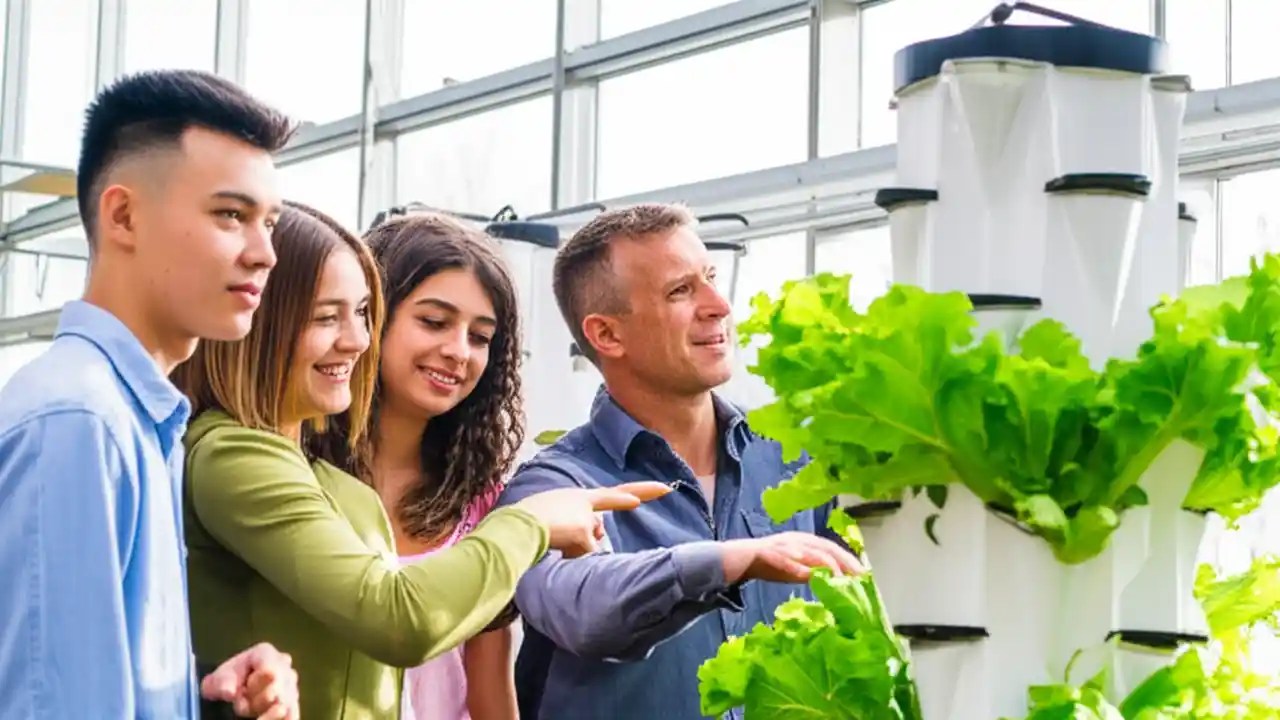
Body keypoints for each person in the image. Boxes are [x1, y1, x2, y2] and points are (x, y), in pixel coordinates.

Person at [174, 202, 665, 720]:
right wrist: (533, 523)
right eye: (326, 316)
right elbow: (397, 617)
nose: (357, 339)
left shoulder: (320, 473)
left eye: (363, 314)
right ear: (263, 316)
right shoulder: (237, 453)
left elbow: (484, 687)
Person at [0, 70, 300, 719]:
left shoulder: (139, 418)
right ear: (124, 215)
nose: (266, 253)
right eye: (231, 214)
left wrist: (202, 698)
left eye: (269, 222)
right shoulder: (78, 422)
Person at [496, 203, 864, 719]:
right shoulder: (553, 486)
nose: (718, 305)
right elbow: (581, 608)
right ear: (607, 335)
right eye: (680, 291)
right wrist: (730, 560)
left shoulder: (795, 459)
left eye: (710, 278)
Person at [325, 211, 528, 719]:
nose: (458, 351)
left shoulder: (481, 500)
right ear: (370, 314)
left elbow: (489, 692)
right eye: (434, 322)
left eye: (480, 337)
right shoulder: (295, 471)